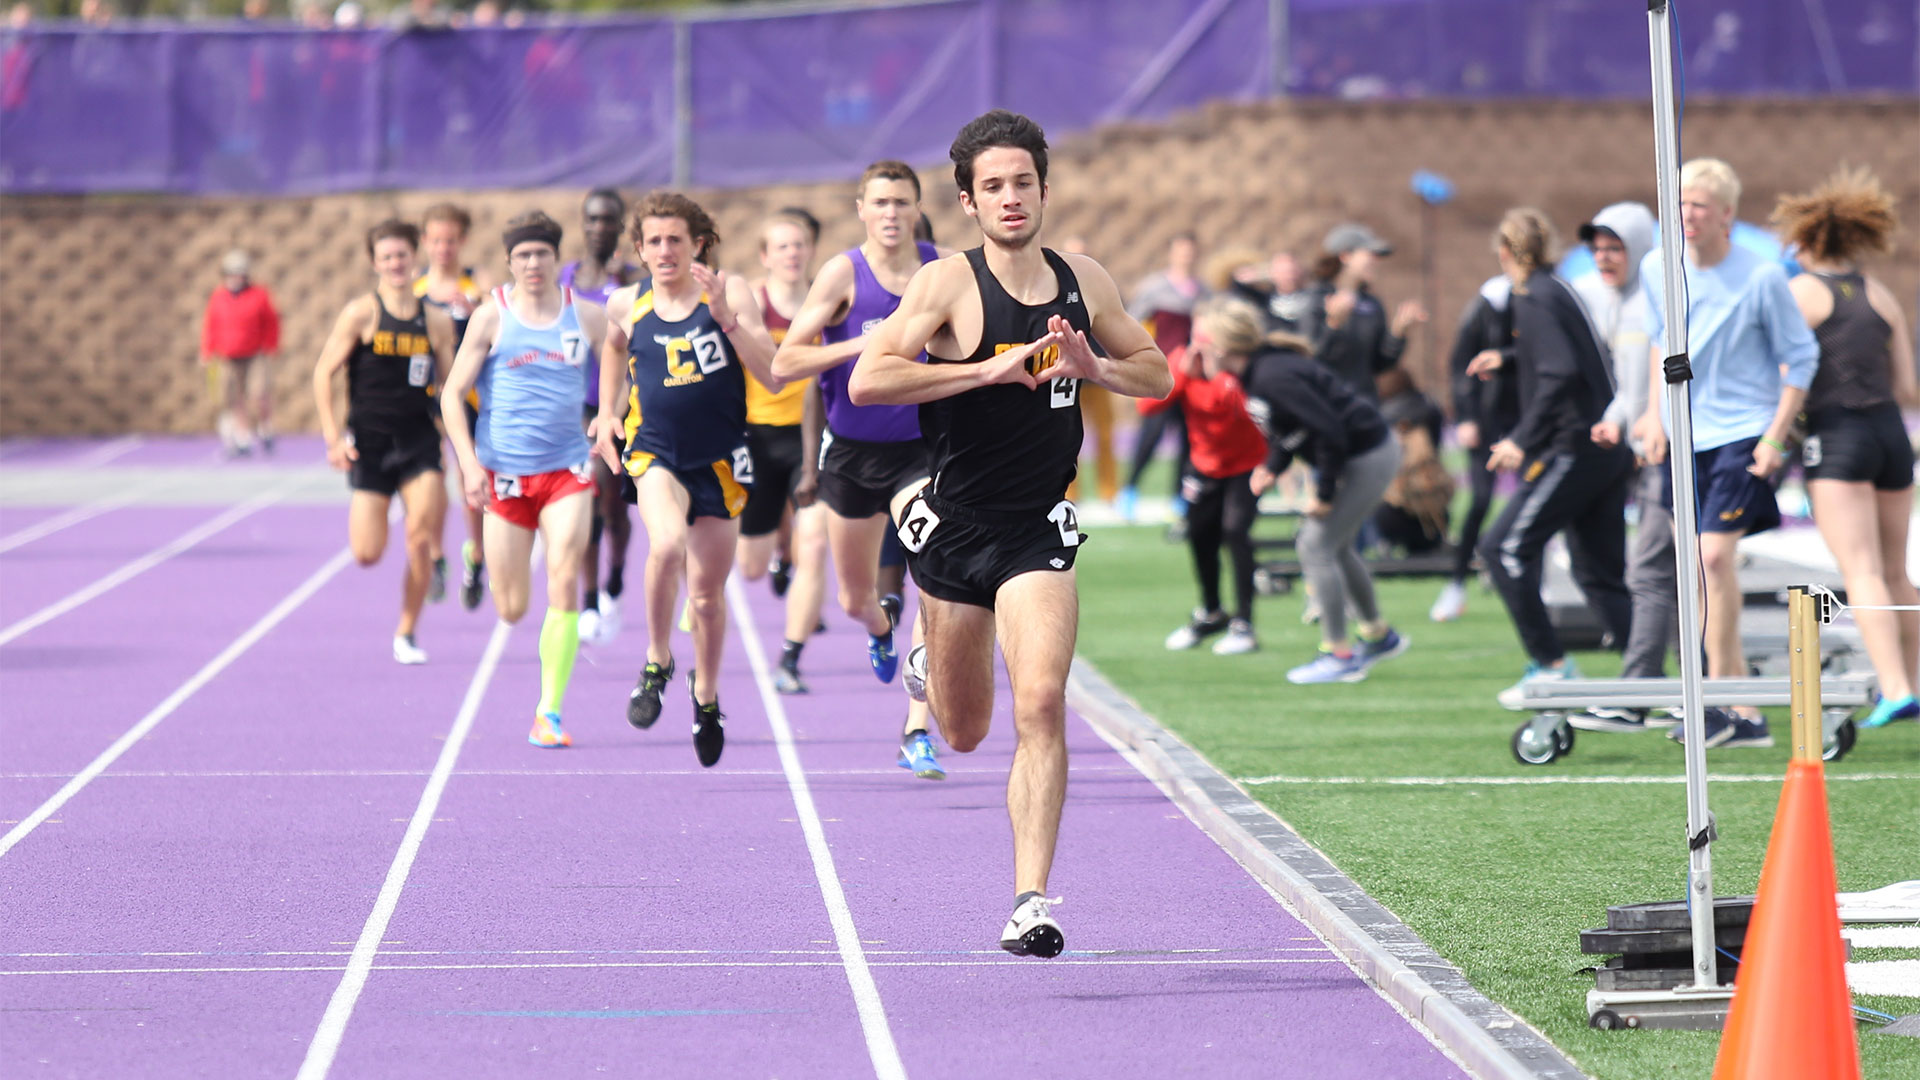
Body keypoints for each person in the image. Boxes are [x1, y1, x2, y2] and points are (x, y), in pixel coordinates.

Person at [850, 109, 1172, 956]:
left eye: (1022, 182)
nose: (1010, 198)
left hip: (1037, 530)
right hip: (957, 530)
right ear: (968, 201)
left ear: (1043, 189)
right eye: (992, 186)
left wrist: (1093, 367)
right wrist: (985, 368)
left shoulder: (1084, 280)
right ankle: (927, 660)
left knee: (1040, 701)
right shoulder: (946, 285)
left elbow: (1158, 372)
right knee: (963, 730)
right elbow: (870, 378)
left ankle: (1030, 899)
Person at [1632, 159, 1819, 749]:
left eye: (1700, 205)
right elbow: (1659, 338)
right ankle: (1738, 709)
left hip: (1743, 430)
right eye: (1680, 203)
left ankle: (1721, 699)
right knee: (1693, 566)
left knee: (1712, 557)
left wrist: (1774, 436)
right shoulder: (1657, 267)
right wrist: (1651, 413)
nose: (1687, 215)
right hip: (1684, 431)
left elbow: (1802, 358)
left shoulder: (1762, 277)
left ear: (1727, 215)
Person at [770, 160, 946, 781]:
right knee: (852, 598)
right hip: (850, 455)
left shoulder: (942, 270)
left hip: (924, 454)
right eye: (881, 202)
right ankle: (878, 629)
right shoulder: (843, 273)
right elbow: (788, 361)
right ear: (862, 208)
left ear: (917, 208)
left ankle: (916, 730)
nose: (892, 213)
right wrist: (864, 345)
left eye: (902, 201)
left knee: (938, 581)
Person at [594, 191, 779, 768]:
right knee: (666, 543)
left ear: (699, 242)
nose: (665, 250)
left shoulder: (731, 292)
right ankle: (657, 660)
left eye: (677, 239)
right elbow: (612, 348)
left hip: (720, 461)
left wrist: (726, 318)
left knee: (705, 596)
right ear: (641, 250)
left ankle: (707, 696)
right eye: (654, 241)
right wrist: (605, 413)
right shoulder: (626, 302)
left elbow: (772, 374)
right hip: (654, 452)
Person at [443, 211, 608, 749]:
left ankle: (549, 711)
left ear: (556, 258)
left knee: (563, 576)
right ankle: (477, 560)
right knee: (511, 608)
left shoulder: (585, 316)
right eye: (522, 255)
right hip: (506, 476)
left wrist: (610, 414)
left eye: (541, 253)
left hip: (568, 470)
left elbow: (624, 356)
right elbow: (451, 395)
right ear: (510, 262)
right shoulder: (492, 317)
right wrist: (469, 464)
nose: (533, 263)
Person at [1193, 298, 1409, 683]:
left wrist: (1324, 495)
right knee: (1334, 545)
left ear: (1223, 347)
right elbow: (1297, 428)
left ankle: (1339, 653)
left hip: (1368, 454)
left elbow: (1330, 432)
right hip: (1363, 452)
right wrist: (1273, 466)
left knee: (1315, 543)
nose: (1195, 349)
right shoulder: (1258, 372)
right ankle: (1379, 636)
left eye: (1201, 340)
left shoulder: (1270, 375)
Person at [1467, 209, 1633, 707]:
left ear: (1504, 252)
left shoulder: (1531, 297)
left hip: (1573, 448)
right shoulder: (1556, 288)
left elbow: (1559, 373)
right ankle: (1650, 679)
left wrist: (1521, 437)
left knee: (1504, 549)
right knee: (1599, 575)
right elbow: (1570, 357)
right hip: (1603, 449)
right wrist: (1511, 358)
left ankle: (1552, 666)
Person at [1774, 167, 1918, 729]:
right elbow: (1906, 384)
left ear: (1807, 238)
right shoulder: (1879, 294)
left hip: (1837, 435)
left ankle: (1896, 687)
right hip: (1890, 434)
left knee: (1860, 568)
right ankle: (1911, 681)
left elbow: (1787, 374)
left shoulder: (1800, 292)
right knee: (1896, 570)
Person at [311, 220, 456, 665]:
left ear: (416, 257)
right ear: (375, 262)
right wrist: (334, 438)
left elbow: (451, 386)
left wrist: (464, 443)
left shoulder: (435, 320)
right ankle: (421, 568)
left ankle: (407, 631)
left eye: (402, 255)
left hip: (418, 443)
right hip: (371, 444)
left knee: (418, 537)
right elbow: (322, 373)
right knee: (367, 553)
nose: (396, 263)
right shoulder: (362, 313)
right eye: (387, 256)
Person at [1575, 202, 1675, 733]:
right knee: (1666, 572)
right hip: (1638, 443)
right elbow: (1621, 383)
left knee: (1653, 570)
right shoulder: (1602, 300)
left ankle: (1643, 689)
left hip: (1664, 446)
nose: (1604, 258)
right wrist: (1616, 418)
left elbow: (1647, 381)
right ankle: (1697, 682)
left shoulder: (1654, 300)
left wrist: (1635, 421)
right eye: (1598, 249)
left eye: (1615, 248)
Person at [742, 212, 830, 696]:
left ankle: (790, 658)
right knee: (749, 567)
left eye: (799, 245)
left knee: (814, 542)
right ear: (765, 256)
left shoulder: (828, 303)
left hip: (809, 437)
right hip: (756, 437)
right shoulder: (752, 303)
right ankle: (777, 555)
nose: (793, 253)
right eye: (782, 247)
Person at [558, 187, 645, 645]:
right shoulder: (564, 281)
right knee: (588, 500)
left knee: (615, 507)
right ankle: (589, 597)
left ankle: (615, 573)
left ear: (621, 226)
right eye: (591, 220)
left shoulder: (633, 281)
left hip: (624, 406)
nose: (599, 228)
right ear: (582, 223)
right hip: (577, 411)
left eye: (608, 220)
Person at [1146, 328, 1268, 655]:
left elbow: (1241, 409)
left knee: (1235, 531)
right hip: (1203, 466)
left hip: (1245, 465)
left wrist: (1220, 376)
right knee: (1200, 535)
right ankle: (1212, 611)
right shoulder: (1181, 365)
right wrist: (1183, 374)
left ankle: (1244, 622)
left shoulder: (1235, 372)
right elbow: (1148, 406)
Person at [1430, 273, 1521, 621]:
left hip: (1524, 421)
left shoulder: (1533, 307)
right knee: (1480, 502)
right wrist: (1466, 416)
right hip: (1486, 423)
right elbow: (1460, 368)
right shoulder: (1481, 311)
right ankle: (1456, 583)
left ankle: (1532, 579)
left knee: (1534, 501)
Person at [415, 202, 487, 611]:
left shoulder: (476, 285)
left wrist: (475, 311)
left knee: (468, 479)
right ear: (425, 242)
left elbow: (499, 332)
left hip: (466, 400)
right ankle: (436, 555)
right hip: (424, 399)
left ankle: (475, 555)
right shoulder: (414, 291)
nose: (443, 248)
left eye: (451, 240)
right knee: (430, 481)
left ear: (462, 242)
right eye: (436, 240)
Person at [1117, 233, 1204, 522]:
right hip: (1163, 373)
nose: (1186, 257)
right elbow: (1131, 320)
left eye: (1190, 251)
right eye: (1181, 251)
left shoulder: (1203, 291)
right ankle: (1129, 489)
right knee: (1151, 434)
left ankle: (1179, 496)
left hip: (1193, 376)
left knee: (1188, 439)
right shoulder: (1156, 288)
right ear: (1171, 253)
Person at [1302, 222, 1426, 401]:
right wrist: (1333, 325)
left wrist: (1398, 333)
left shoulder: (1372, 304)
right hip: (1324, 404)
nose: (1376, 261)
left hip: (1363, 404)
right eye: (1370, 254)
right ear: (1346, 256)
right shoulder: (1313, 298)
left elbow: (1380, 365)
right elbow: (1309, 358)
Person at [201, 249, 282, 458]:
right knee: (235, 399)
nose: (234, 278)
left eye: (238, 273)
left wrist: (271, 346)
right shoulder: (218, 297)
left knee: (259, 394)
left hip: (255, 354)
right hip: (228, 356)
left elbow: (272, 322)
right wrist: (207, 351)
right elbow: (211, 325)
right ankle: (243, 437)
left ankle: (265, 428)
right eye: (229, 274)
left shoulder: (259, 294)